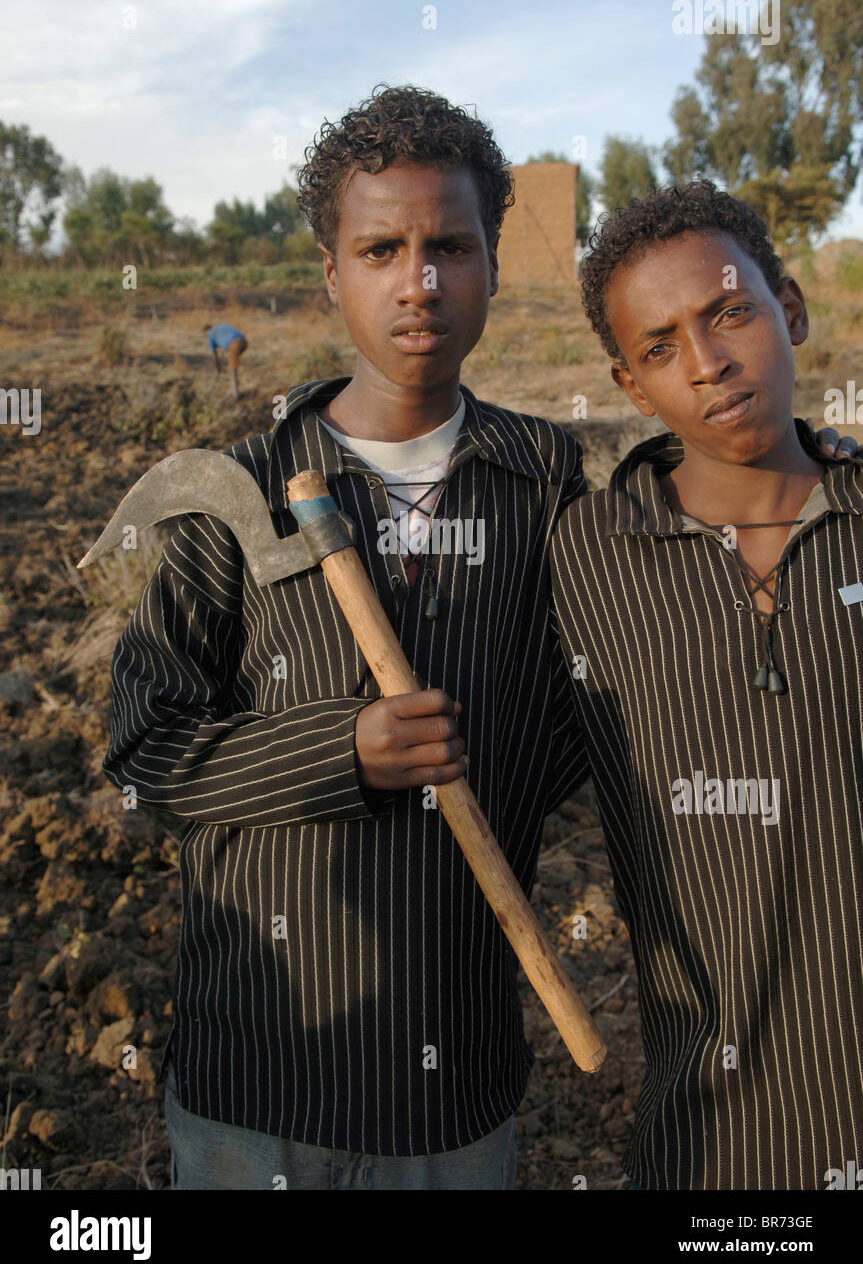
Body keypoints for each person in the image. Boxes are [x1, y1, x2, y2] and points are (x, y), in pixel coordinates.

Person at [102, 84, 589, 1191]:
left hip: (451, 1083)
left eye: (447, 246)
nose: (417, 281)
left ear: (491, 265)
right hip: (257, 1080)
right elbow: (144, 754)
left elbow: (582, 709)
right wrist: (343, 751)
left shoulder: (544, 481)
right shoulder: (233, 490)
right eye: (380, 248)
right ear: (332, 271)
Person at [549, 179, 863, 1191]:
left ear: (789, 306)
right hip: (713, 1146)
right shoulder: (584, 561)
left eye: (729, 312)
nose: (707, 363)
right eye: (658, 346)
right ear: (629, 385)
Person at [203, 321, 247, 401]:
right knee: (233, 362)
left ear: (206, 332)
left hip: (233, 345)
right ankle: (238, 383)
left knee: (232, 370)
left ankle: (235, 394)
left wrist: (218, 368)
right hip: (244, 341)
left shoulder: (209, 336)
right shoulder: (222, 325)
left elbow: (215, 355)